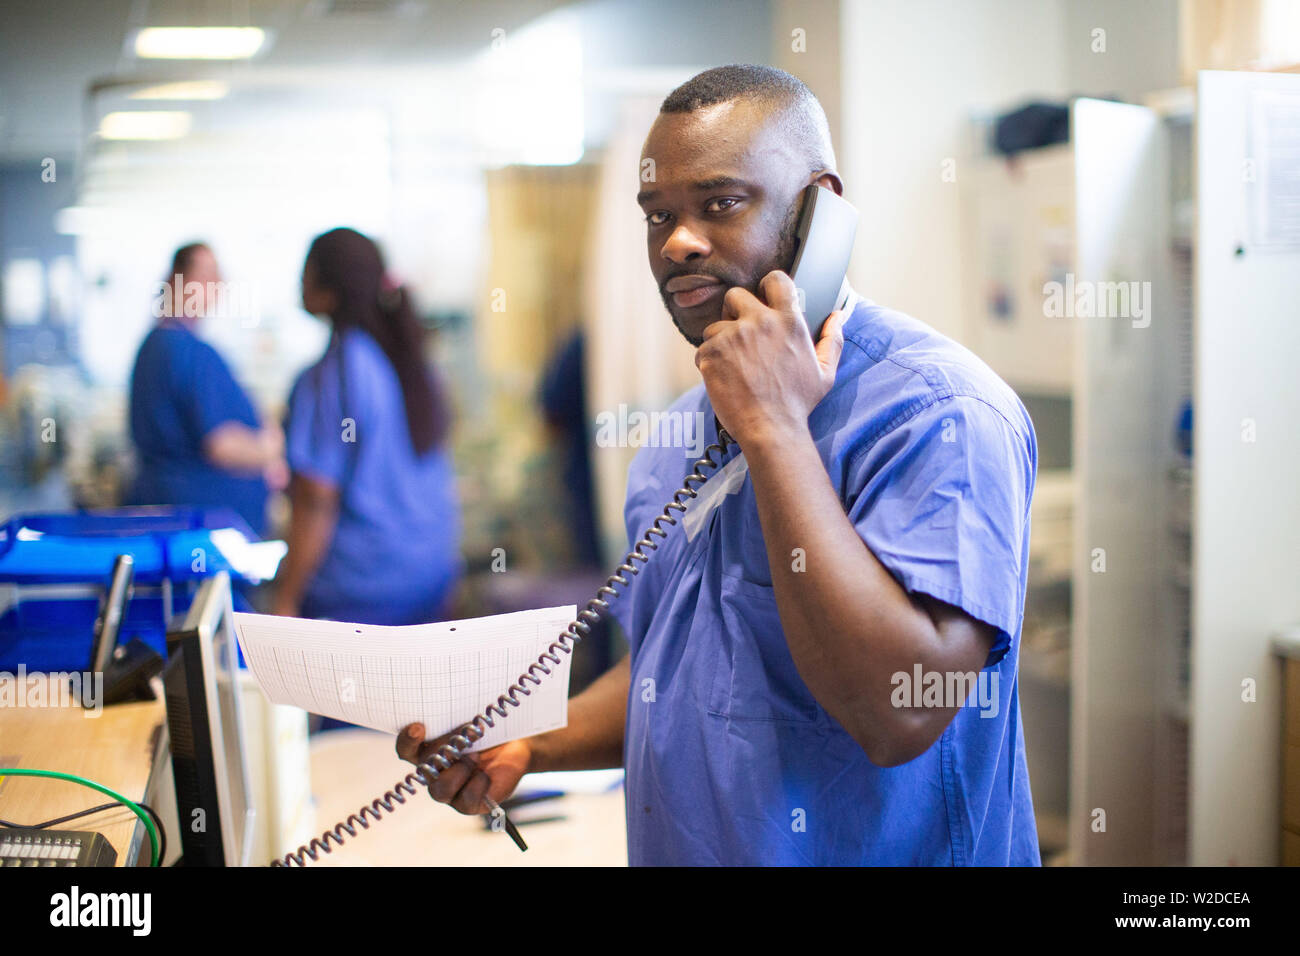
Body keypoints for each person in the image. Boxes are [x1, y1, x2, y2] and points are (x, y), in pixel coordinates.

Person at [398, 65, 1040, 866]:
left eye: (721, 204)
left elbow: (901, 713)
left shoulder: (939, 413)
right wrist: (527, 743)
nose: (678, 242)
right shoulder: (676, 438)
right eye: (657, 214)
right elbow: (684, 677)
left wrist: (774, 430)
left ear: (819, 211)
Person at [272, 228, 462, 626]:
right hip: (430, 574)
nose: (297, 282)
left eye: (306, 270)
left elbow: (315, 499)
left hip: (364, 589)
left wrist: (285, 601)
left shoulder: (336, 371)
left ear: (330, 287)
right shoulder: (406, 356)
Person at [128, 242, 284, 536]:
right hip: (202, 530)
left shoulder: (155, 346)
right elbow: (221, 445)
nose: (218, 285)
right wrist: (271, 448)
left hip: (172, 516)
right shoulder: (190, 353)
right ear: (179, 281)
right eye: (209, 275)